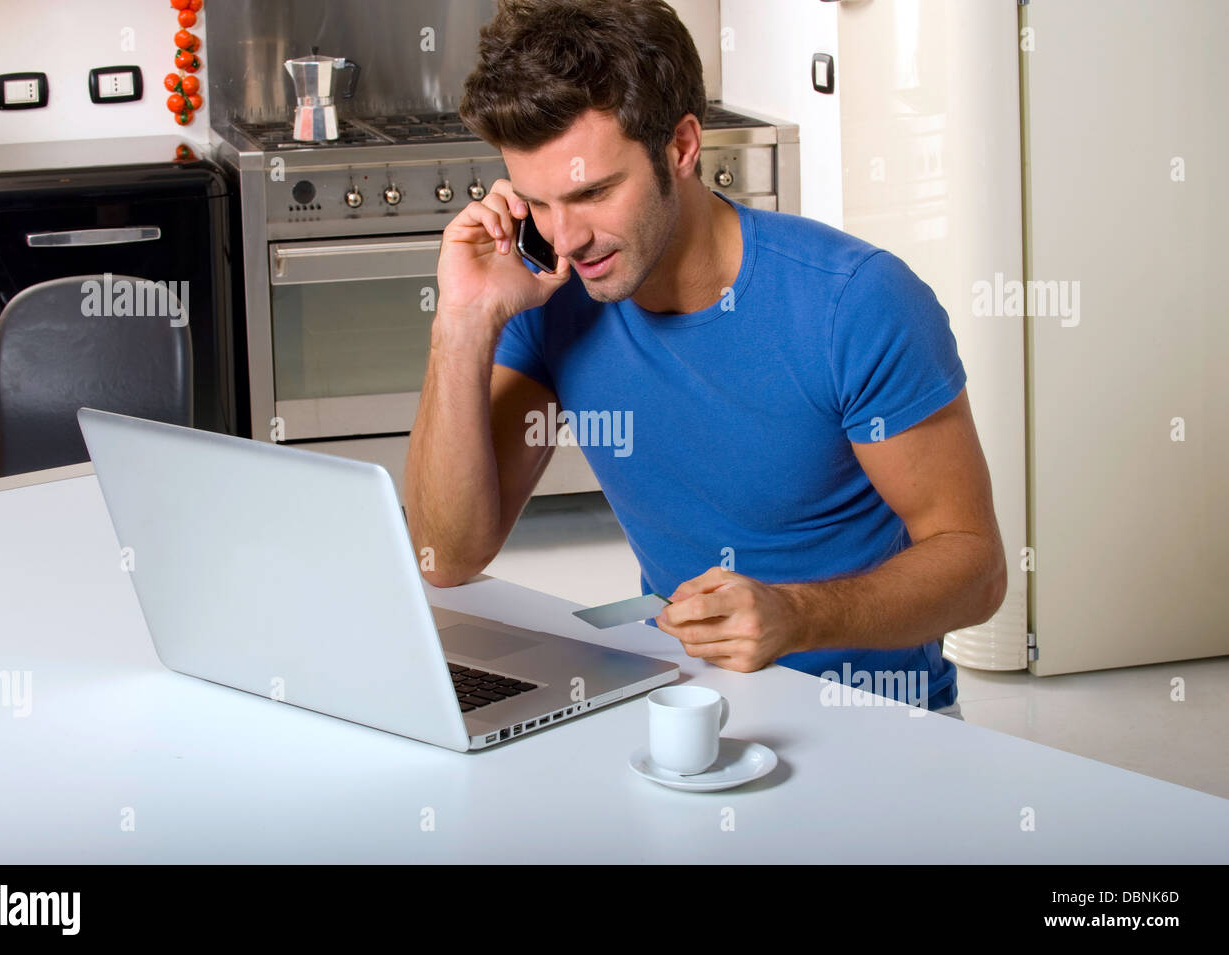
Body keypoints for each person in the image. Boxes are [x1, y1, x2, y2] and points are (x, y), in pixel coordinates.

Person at [404, 0, 1004, 718]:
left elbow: (976, 566)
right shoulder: (554, 296)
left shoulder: (855, 301)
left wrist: (796, 616)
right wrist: (462, 321)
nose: (564, 239)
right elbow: (446, 558)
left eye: (593, 192)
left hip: (879, 718)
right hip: (681, 707)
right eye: (536, 202)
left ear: (682, 147)